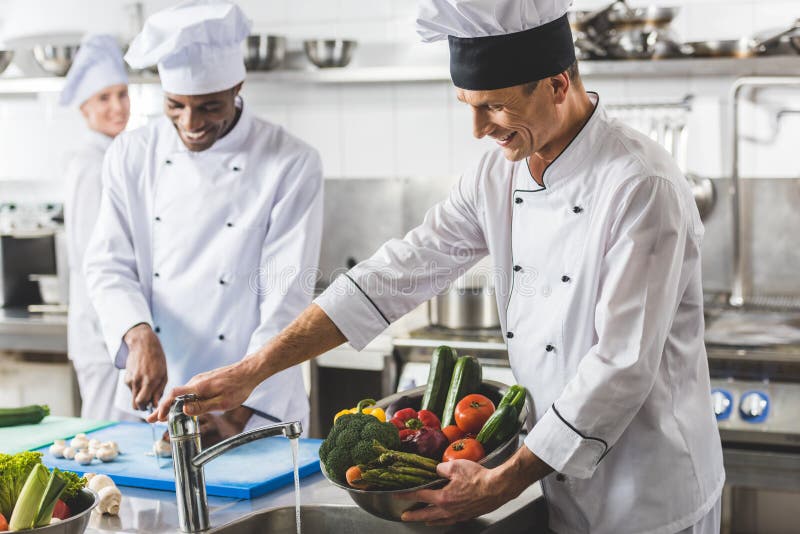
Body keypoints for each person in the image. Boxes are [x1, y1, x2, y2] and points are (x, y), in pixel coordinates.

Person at [151, 0, 725, 531]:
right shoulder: (497, 172)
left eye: (496, 106)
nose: (479, 130)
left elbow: (619, 366)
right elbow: (396, 272)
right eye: (469, 107)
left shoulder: (640, 185)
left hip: (651, 494)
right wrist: (253, 370)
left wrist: (502, 482)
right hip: (556, 477)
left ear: (557, 84)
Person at [85, 0, 323, 443]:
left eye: (210, 108)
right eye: (175, 106)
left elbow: (285, 294)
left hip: (254, 408)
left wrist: (241, 401)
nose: (190, 124)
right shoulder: (131, 154)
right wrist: (137, 334)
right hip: (152, 405)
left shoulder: (290, 161)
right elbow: (107, 265)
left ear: (238, 86)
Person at [61, 34, 130, 420]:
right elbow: (95, 258)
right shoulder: (91, 165)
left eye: (122, 94)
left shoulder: (114, 155)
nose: (117, 106)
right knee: (106, 441)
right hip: (102, 335)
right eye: (104, 98)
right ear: (84, 108)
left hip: (118, 334)